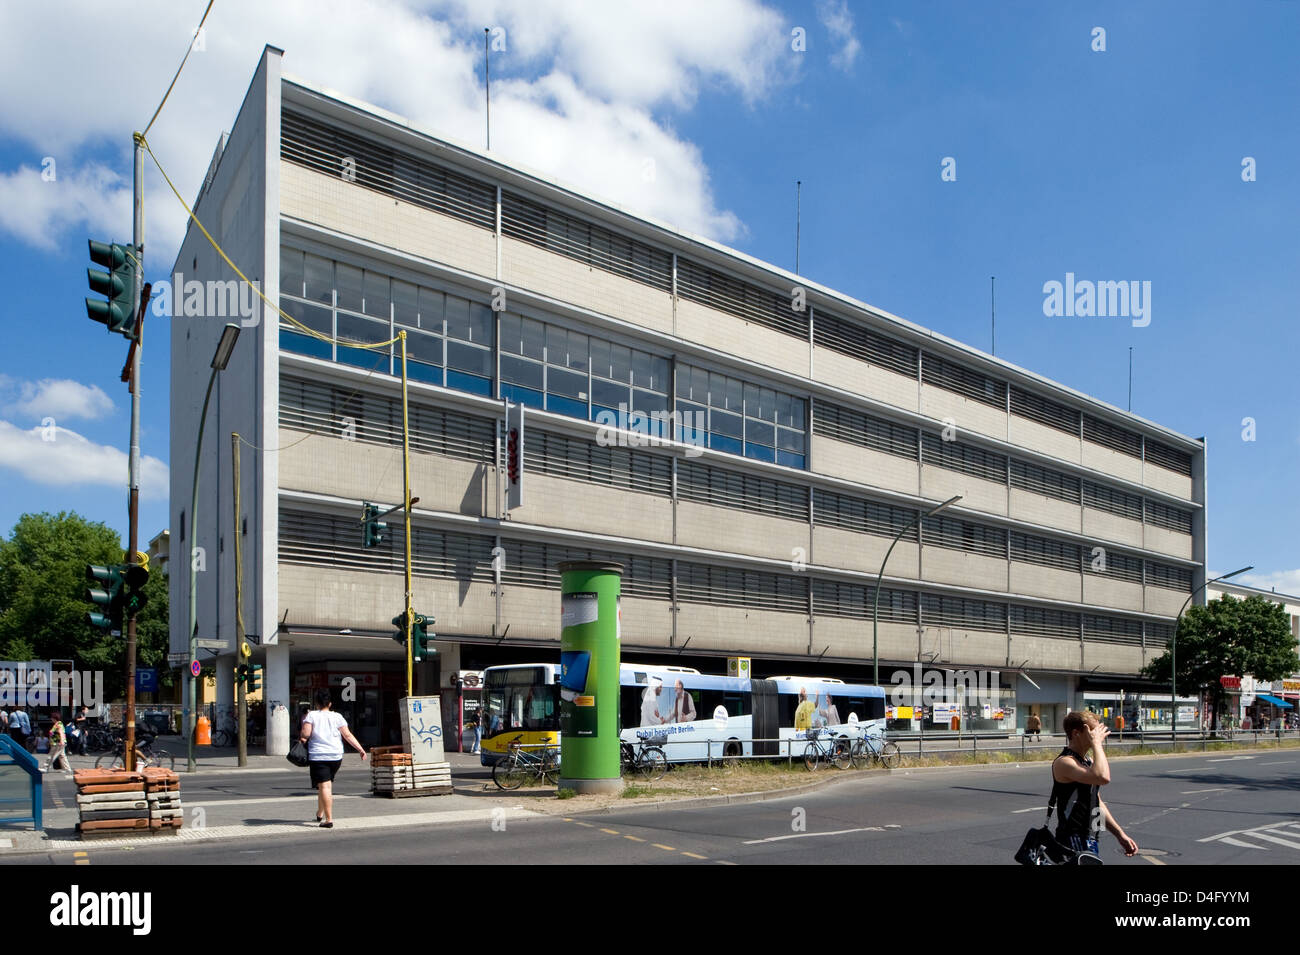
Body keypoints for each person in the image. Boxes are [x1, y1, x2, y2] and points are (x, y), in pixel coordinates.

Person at [1050, 710, 1138, 862]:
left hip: (1090, 837)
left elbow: (1096, 801)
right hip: (1072, 839)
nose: (1097, 735)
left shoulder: (1087, 761)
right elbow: (1102, 777)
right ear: (1076, 733)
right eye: (1093, 731)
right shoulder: (1065, 762)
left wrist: (1120, 834)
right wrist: (1097, 744)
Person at [299, 689, 366, 828]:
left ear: (316, 703)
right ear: (329, 703)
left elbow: (305, 734)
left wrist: (302, 737)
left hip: (319, 755)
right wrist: (360, 749)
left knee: (324, 786)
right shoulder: (338, 717)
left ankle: (329, 819)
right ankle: (319, 813)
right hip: (336, 756)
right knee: (324, 785)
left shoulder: (311, 716)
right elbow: (347, 735)